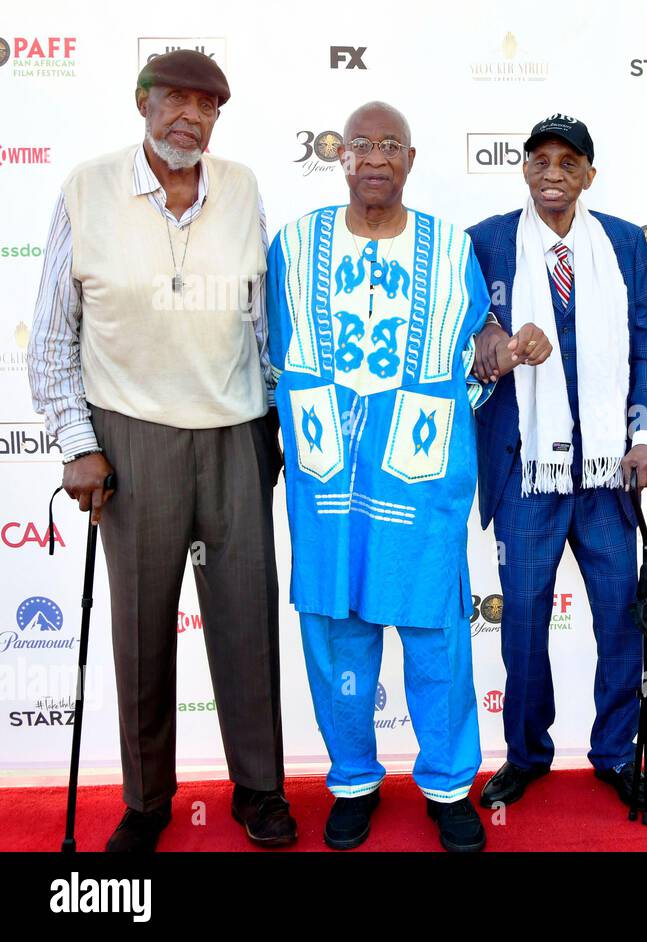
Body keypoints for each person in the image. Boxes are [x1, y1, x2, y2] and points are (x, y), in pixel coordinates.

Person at [266, 101, 552, 853]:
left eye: (390, 145)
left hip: (418, 480)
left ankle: (449, 786)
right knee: (338, 637)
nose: (374, 158)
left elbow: (473, 358)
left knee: (436, 641)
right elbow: (268, 359)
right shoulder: (293, 246)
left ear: (412, 159)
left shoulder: (448, 248)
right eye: (361, 144)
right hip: (329, 481)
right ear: (341, 156)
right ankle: (354, 779)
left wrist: (502, 349)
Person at [26, 50, 295, 852]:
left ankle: (259, 791)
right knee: (141, 631)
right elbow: (50, 339)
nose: (190, 115)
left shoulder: (243, 186)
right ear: (142, 102)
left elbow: (263, 320)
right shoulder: (86, 187)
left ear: (219, 117)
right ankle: (147, 802)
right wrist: (78, 444)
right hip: (131, 439)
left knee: (246, 625)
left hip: (236, 431)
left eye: (207, 104)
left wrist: (280, 423)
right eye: (175, 99)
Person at [467, 114, 647, 809]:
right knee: (521, 618)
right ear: (524, 167)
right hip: (529, 468)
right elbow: (468, 342)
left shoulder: (622, 244)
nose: (552, 174)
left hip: (609, 472)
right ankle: (526, 754)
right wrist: (494, 344)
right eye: (539, 160)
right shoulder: (487, 242)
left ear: (589, 173)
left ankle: (616, 754)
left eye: (568, 162)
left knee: (617, 617)